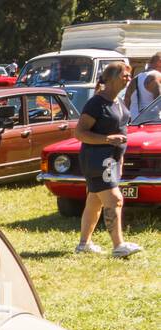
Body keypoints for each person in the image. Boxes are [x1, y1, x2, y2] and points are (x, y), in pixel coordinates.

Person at [75, 63, 141, 258]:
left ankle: (84, 244)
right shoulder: (96, 103)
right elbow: (79, 133)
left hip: (111, 161)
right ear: (111, 78)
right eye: (125, 75)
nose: (129, 78)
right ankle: (118, 246)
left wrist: (119, 159)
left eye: (130, 75)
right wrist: (107, 139)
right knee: (115, 199)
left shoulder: (118, 102)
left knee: (94, 201)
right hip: (97, 160)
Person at [124, 52, 161, 122]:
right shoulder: (157, 76)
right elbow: (159, 101)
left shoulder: (135, 78)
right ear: (159, 62)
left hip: (135, 121)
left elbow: (127, 100)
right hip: (152, 122)